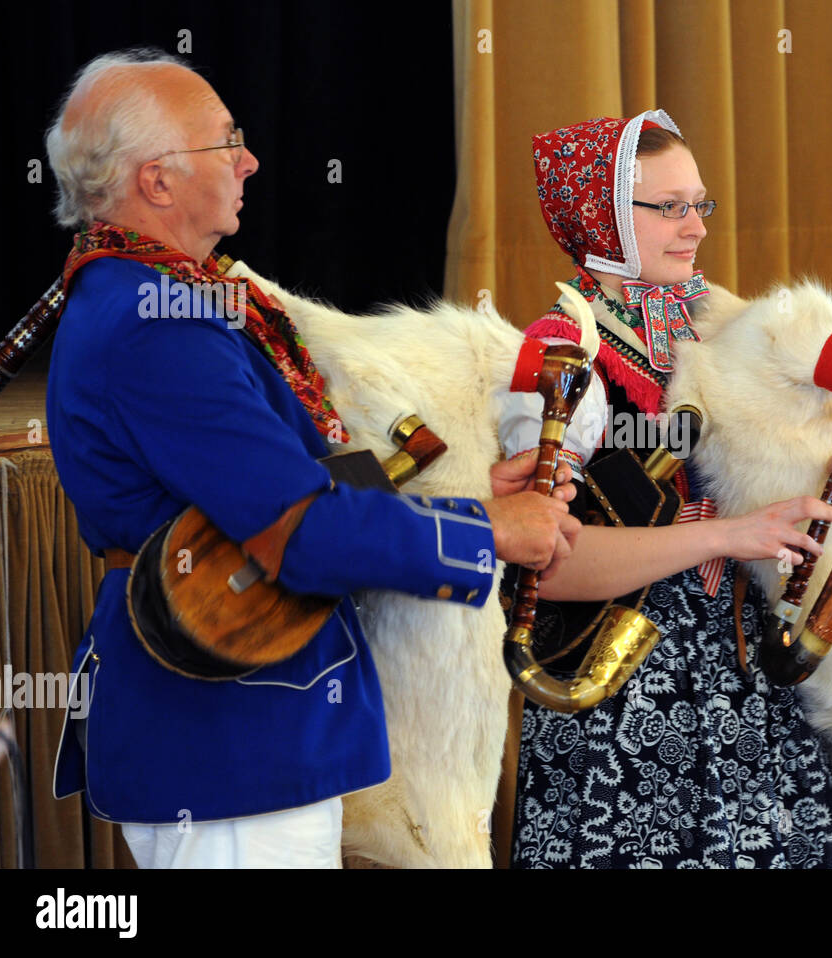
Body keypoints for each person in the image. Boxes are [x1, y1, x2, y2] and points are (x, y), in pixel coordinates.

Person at [42, 48, 578, 868]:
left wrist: (471, 490)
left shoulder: (148, 299)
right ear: (156, 180)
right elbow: (297, 532)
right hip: (228, 741)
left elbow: (288, 495)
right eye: (226, 142)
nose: (249, 160)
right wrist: (487, 531)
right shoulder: (161, 323)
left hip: (236, 726)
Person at [498, 111, 832, 868]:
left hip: (752, 680)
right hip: (623, 698)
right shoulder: (560, 352)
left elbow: (784, 478)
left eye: (699, 204)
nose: (695, 227)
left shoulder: (725, 327)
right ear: (601, 215)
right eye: (668, 207)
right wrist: (722, 534)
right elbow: (548, 564)